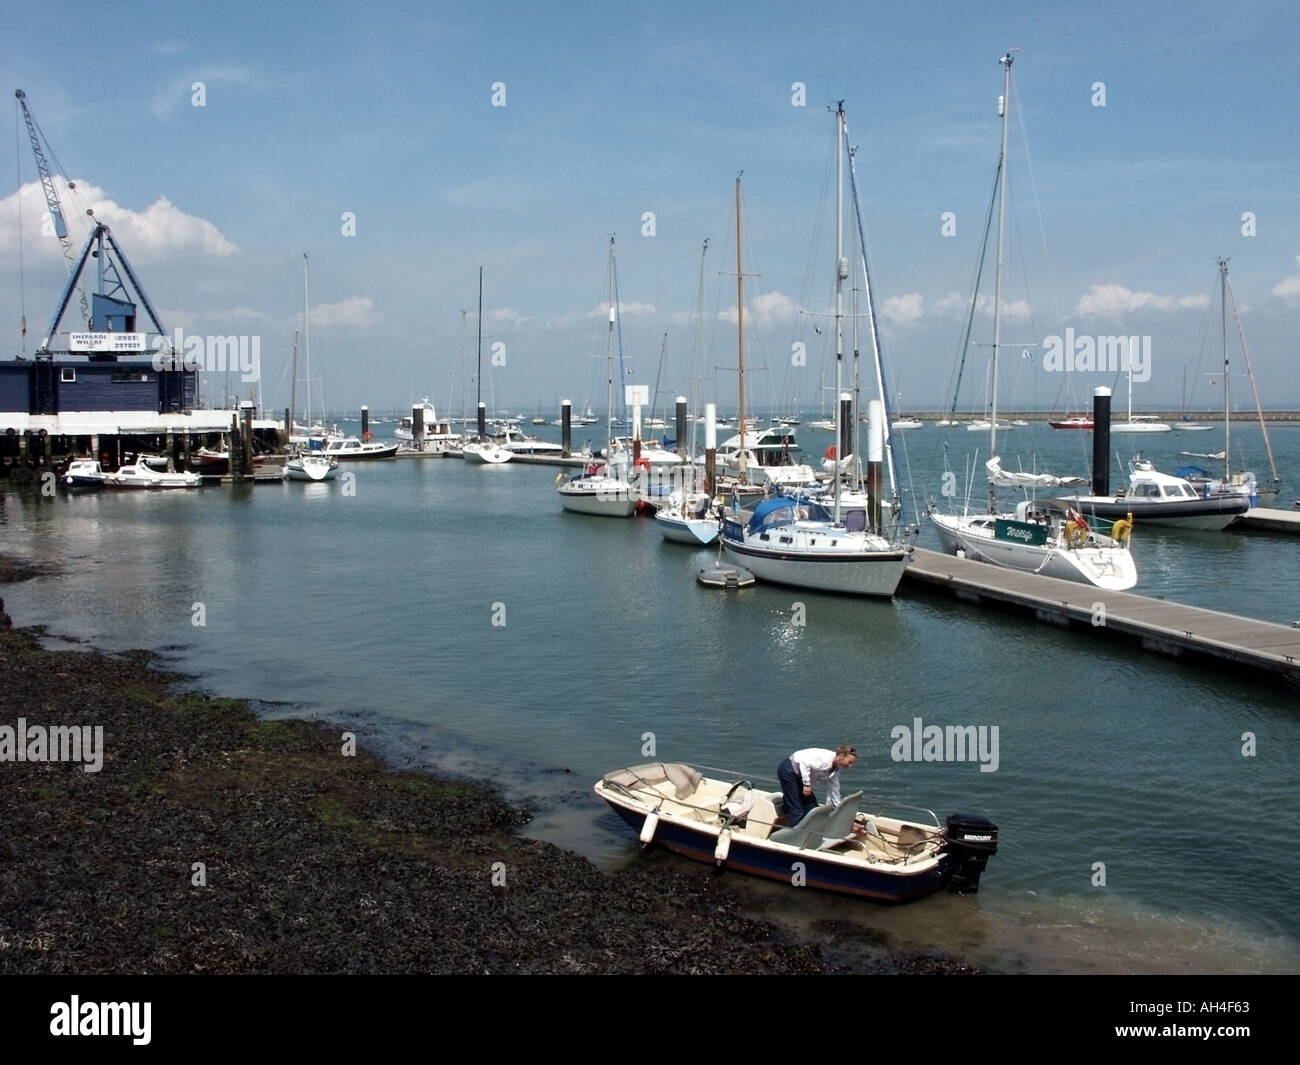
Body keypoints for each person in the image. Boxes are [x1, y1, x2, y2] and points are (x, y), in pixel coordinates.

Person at [777, 745, 857, 827]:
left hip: (800, 776)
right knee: (797, 811)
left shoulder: (836, 768)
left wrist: (838, 809)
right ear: (841, 756)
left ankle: (787, 808)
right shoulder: (825, 760)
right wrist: (806, 784)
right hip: (789, 770)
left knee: (812, 807)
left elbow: (834, 790)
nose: (850, 766)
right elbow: (804, 763)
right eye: (850, 762)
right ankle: (788, 836)